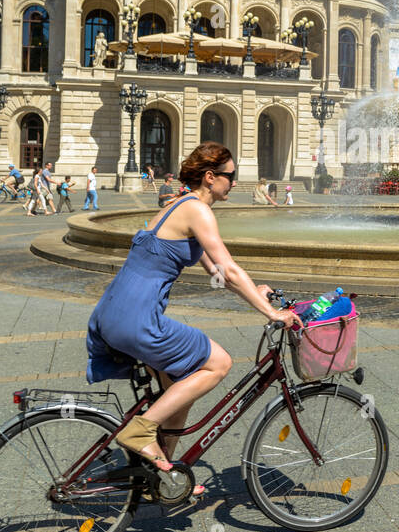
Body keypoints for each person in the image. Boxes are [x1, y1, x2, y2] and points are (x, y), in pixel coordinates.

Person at [89, 142, 303, 487]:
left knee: (181, 384)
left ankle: (162, 474)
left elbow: (217, 276)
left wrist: (255, 293)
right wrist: (271, 312)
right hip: (138, 319)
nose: (234, 182)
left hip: (111, 313)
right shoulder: (198, 211)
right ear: (210, 177)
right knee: (219, 363)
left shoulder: (180, 206)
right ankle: (140, 430)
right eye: (230, 176)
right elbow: (228, 269)